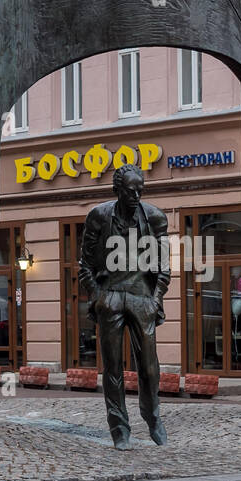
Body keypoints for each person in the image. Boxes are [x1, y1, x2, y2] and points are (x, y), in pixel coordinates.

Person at [78, 163, 169, 450]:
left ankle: (153, 418)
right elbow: (85, 266)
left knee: (149, 367)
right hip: (111, 296)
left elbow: (164, 267)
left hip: (143, 297)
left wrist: (156, 299)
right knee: (113, 368)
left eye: (141, 190)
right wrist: (98, 296)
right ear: (117, 190)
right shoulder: (98, 217)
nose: (137, 195)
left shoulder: (154, 218)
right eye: (131, 191)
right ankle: (119, 429)